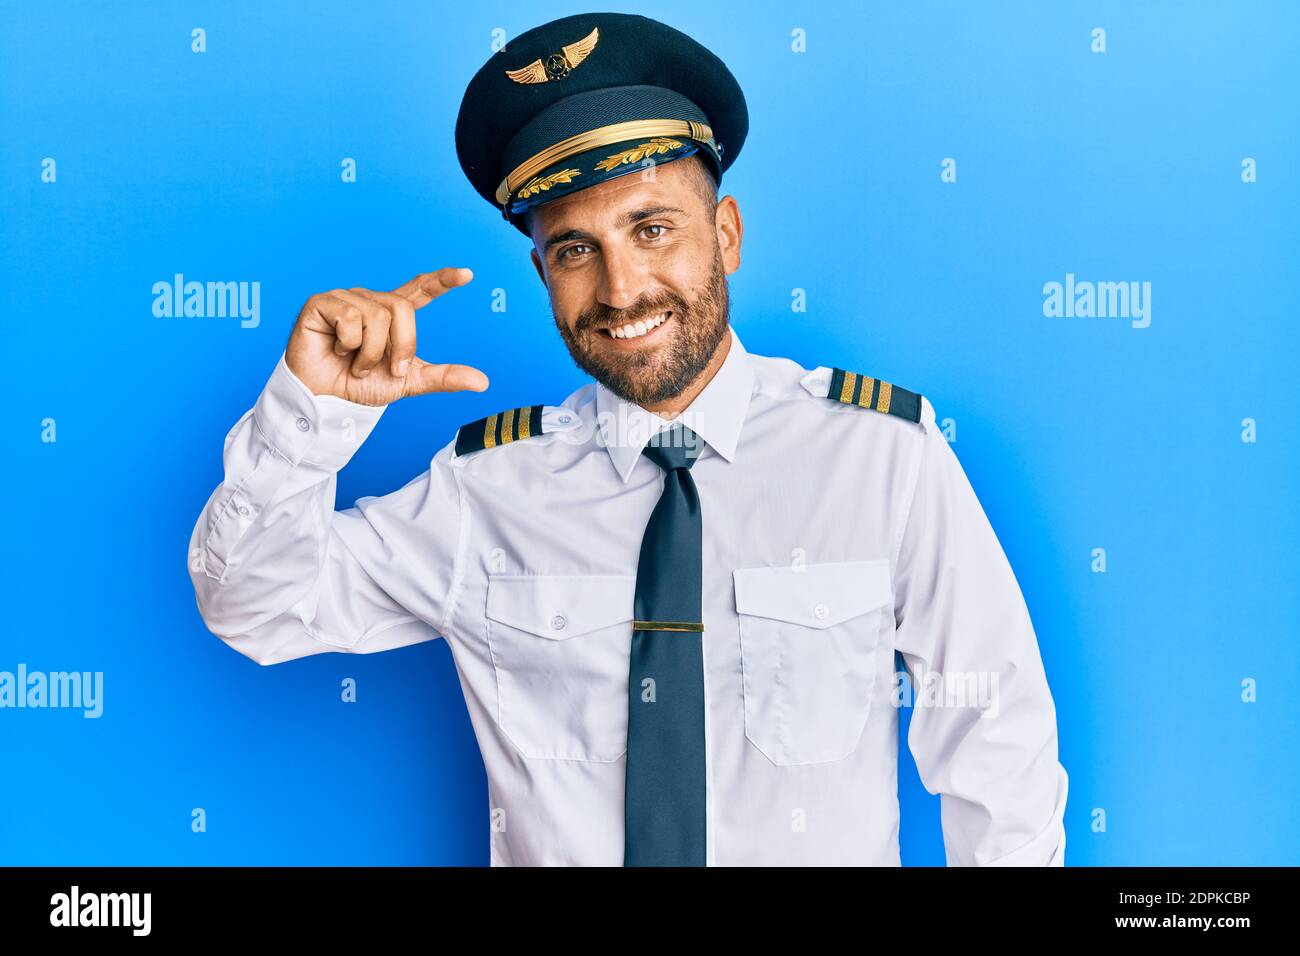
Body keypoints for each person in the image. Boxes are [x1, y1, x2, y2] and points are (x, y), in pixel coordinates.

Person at [188, 12, 1068, 866]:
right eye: (575, 250)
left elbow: (998, 743)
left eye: (652, 229)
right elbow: (257, 608)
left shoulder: (884, 459)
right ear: (541, 273)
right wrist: (312, 418)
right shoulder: (483, 490)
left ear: (725, 235)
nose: (621, 287)